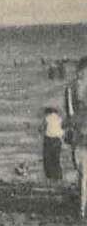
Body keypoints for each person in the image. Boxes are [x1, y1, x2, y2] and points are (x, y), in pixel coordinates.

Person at [64, 58, 87, 216]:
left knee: (82, 172)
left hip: (79, 130)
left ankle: (81, 207)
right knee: (83, 172)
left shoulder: (71, 86)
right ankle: (81, 207)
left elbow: (70, 112)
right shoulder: (74, 86)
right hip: (80, 130)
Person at [40, 107, 64, 181]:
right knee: (56, 159)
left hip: (49, 139)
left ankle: (49, 176)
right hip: (57, 140)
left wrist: (42, 133)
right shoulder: (60, 119)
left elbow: (41, 128)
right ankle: (58, 176)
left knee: (47, 159)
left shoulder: (47, 118)